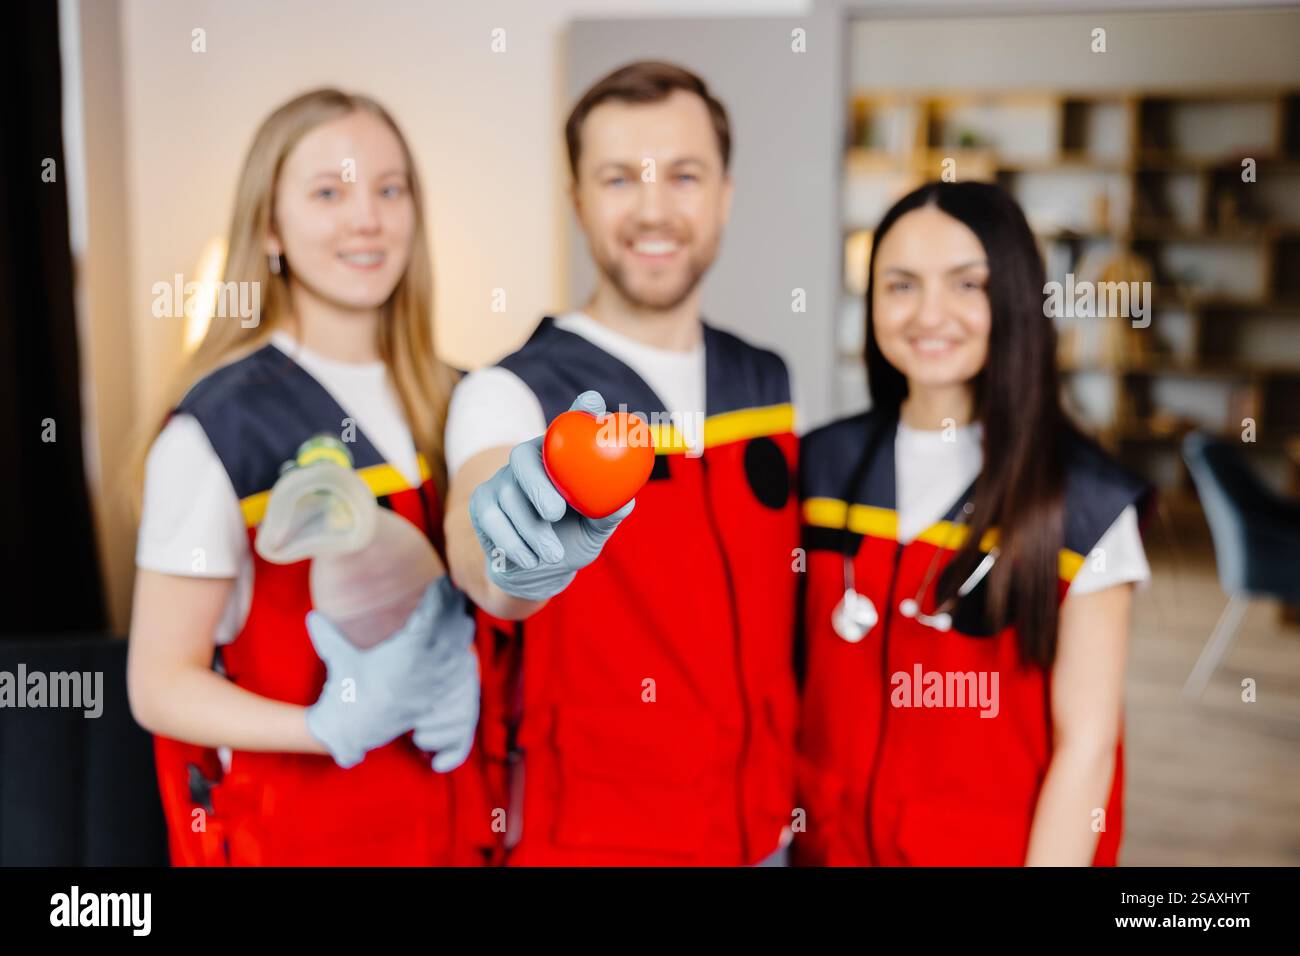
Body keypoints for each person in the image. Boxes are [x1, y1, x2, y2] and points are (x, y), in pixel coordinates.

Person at [444, 62, 799, 865]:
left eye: (683, 175)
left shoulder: (768, 382)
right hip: (598, 844)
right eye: (617, 178)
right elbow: (481, 559)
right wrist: (514, 561)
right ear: (576, 201)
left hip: (768, 836)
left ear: (724, 195)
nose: (652, 209)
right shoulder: (512, 394)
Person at [127, 89, 493, 866]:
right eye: (330, 192)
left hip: (456, 831)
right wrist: (328, 728)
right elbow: (159, 684)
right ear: (269, 226)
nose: (368, 218)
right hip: (301, 839)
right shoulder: (218, 430)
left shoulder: (465, 403)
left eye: (389, 189)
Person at [794, 181, 1152, 866]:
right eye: (900, 285)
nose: (930, 313)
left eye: (966, 285)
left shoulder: (1085, 503)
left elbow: (1087, 749)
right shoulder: (821, 467)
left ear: (1014, 298)